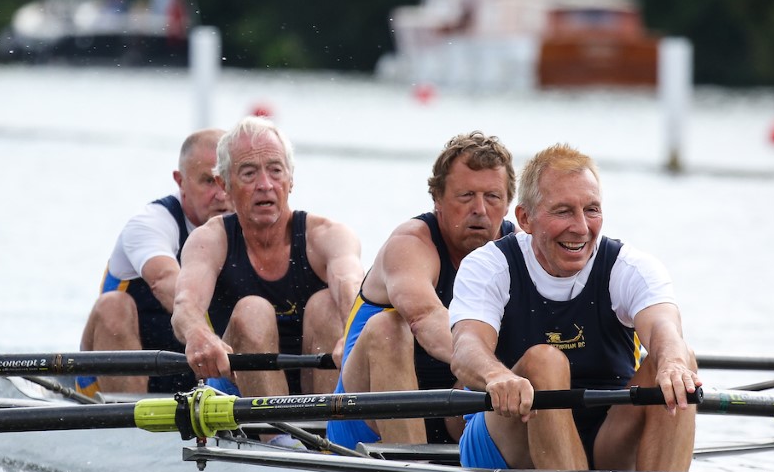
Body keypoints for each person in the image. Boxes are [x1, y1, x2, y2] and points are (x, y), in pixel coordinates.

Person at [449, 143, 698, 472]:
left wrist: (672, 363)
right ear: (525, 218)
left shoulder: (630, 267)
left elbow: (664, 328)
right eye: (564, 211)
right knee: (544, 361)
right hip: (508, 439)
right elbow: (466, 349)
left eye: (591, 210)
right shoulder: (489, 266)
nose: (581, 228)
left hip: (607, 439)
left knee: (678, 360)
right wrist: (498, 376)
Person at [326, 132, 517, 450]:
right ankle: (412, 468)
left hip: (458, 412)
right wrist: (493, 372)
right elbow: (426, 318)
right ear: (438, 200)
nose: (480, 209)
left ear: (509, 203)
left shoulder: (521, 251)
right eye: (466, 196)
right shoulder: (411, 245)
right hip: (366, 418)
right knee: (389, 327)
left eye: (492, 197)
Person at [171, 116, 363, 399]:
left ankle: (322, 432)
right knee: (253, 310)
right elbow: (184, 305)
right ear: (225, 185)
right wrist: (197, 333)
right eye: (249, 173)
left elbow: (349, 284)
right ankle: (280, 438)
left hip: (318, 382)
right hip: (236, 388)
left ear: (291, 179)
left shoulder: (328, 235)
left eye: (275, 171)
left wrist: (353, 334)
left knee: (328, 305)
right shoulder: (209, 240)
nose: (265, 184)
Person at [77, 128, 229, 396]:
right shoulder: (150, 224)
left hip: (202, 379)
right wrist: (201, 334)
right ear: (180, 180)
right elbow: (164, 281)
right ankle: (126, 420)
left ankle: (291, 429)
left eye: (225, 180)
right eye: (207, 181)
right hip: (120, 382)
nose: (220, 194)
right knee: (113, 306)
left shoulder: (257, 230)